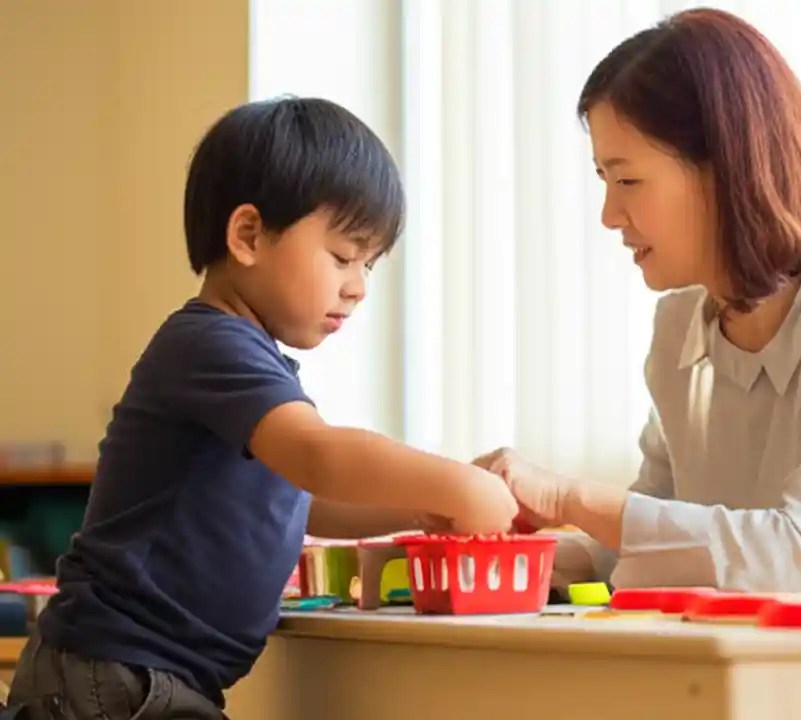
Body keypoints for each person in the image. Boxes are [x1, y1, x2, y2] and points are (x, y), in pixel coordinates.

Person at [3, 97, 518, 720]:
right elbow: (319, 457)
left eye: (369, 264)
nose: (358, 286)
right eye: (343, 256)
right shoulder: (209, 344)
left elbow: (301, 496)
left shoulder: (247, 361)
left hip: (137, 673)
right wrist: (456, 483)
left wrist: (423, 504)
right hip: (116, 673)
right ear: (248, 235)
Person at [474, 9, 801, 598]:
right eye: (604, 179)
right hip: (789, 672)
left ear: (726, 168)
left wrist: (566, 497)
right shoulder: (680, 327)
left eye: (627, 180)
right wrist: (508, 551)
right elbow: (651, 539)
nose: (609, 215)